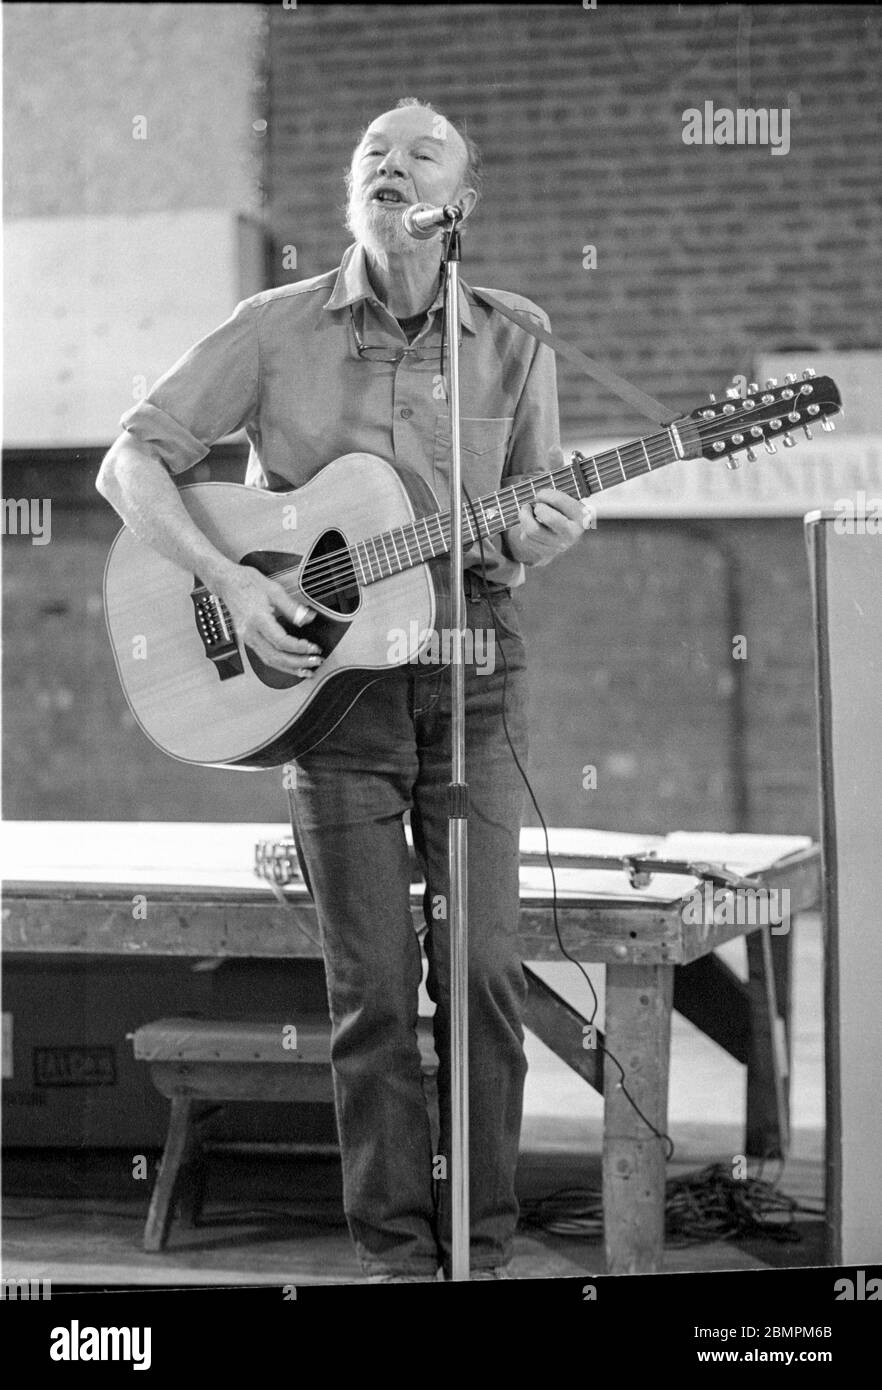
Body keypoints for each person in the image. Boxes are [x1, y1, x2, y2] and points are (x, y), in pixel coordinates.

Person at [97, 97, 584, 1282]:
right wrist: (229, 578)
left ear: (457, 204)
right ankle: (397, 1257)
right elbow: (132, 458)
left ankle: (483, 1244)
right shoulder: (274, 327)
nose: (390, 164)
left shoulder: (515, 335)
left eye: (421, 154)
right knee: (374, 993)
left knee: (478, 977)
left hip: (469, 678)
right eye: (373, 152)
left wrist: (544, 532)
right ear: (351, 194)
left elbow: (536, 509)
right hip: (326, 690)